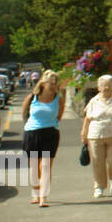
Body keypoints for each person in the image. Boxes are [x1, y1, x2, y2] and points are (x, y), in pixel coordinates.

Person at [21, 70, 64, 208]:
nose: (52, 86)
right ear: (43, 83)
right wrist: (30, 125)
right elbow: (24, 114)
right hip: (32, 133)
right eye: (50, 83)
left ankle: (43, 197)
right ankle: (35, 192)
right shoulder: (32, 97)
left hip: (50, 133)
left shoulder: (58, 98)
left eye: (55, 84)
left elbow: (59, 116)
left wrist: (49, 123)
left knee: (45, 166)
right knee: (34, 166)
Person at [81, 74, 112, 198]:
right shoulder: (94, 101)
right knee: (97, 162)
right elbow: (87, 119)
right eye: (104, 85)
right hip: (95, 135)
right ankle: (99, 187)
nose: (107, 88)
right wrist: (84, 134)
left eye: (109, 85)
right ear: (99, 87)